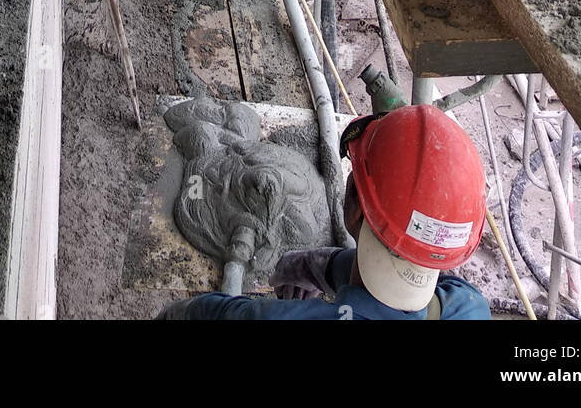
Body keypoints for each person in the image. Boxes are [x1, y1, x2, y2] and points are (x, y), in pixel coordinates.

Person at [157, 104, 491, 320]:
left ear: (356, 208)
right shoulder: (470, 307)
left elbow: (215, 314)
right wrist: (324, 267)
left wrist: (184, 313)